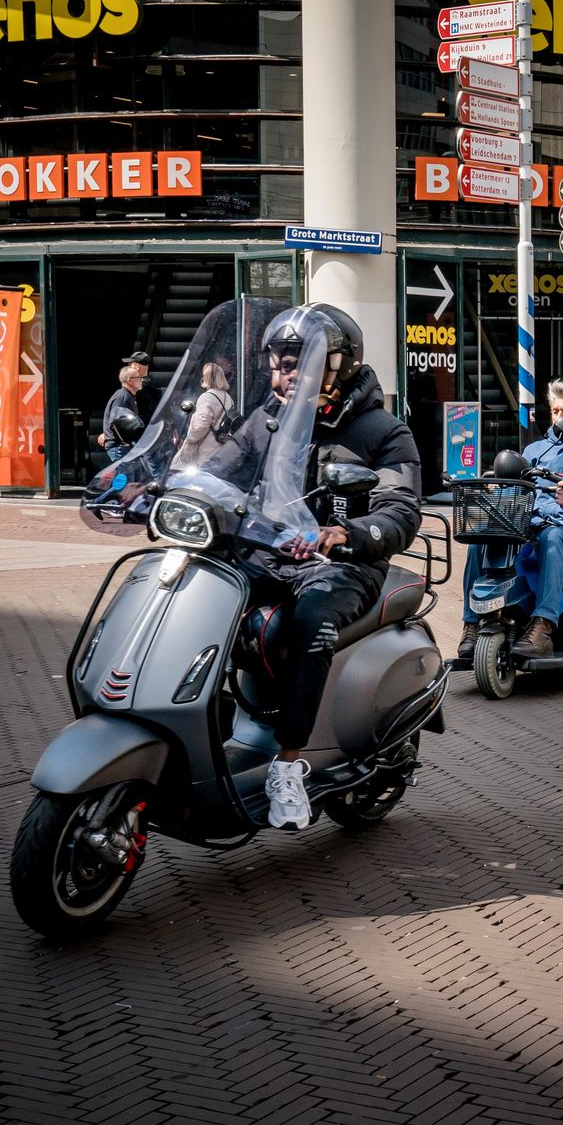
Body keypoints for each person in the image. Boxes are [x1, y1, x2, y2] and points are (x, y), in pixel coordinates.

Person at [237, 306, 422, 831]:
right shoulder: (265, 420)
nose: (285, 376)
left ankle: (290, 762)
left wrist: (350, 533)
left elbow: (401, 507)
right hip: (267, 555)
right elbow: (222, 469)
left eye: (299, 363)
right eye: (278, 363)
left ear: (339, 365)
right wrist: (155, 487)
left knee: (311, 619)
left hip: (341, 565)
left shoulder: (382, 430)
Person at [457, 379, 563, 658]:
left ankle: (544, 625)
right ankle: (472, 623)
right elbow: (515, 495)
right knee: (483, 537)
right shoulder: (535, 451)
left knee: (553, 536)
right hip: (529, 525)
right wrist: (499, 491)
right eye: (555, 411)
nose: (559, 418)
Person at [170, 361, 237, 471]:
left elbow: (200, 426)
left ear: (206, 378)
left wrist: (189, 439)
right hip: (218, 448)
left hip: (203, 452)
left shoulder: (207, 397)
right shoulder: (228, 397)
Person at [100, 362, 148, 464]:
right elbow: (115, 422)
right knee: (123, 478)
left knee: (129, 478)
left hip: (123, 448)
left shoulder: (128, 396)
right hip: (119, 448)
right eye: (138, 378)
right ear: (130, 381)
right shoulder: (123, 397)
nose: (141, 380)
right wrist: (123, 441)